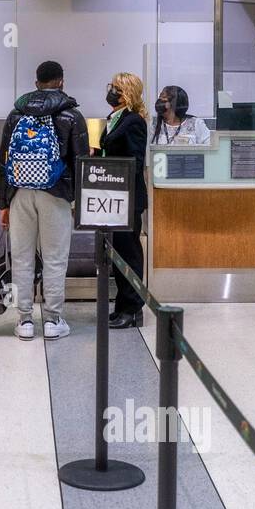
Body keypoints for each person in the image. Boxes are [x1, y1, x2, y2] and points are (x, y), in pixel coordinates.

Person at [0, 61, 89, 341]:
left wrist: (3, 204)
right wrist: (78, 203)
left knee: (22, 258)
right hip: (57, 193)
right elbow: (80, 161)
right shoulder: (71, 116)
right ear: (61, 81)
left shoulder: (16, 114)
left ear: (36, 83)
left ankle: (24, 320)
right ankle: (52, 320)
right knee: (54, 259)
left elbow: (3, 160)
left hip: (20, 192)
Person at [101, 71, 149, 329]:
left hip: (128, 197)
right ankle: (123, 305)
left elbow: (134, 160)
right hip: (114, 196)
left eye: (116, 87)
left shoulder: (133, 122)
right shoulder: (116, 119)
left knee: (128, 254)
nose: (111, 91)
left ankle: (132, 309)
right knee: (119, 252)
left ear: (127, 92)